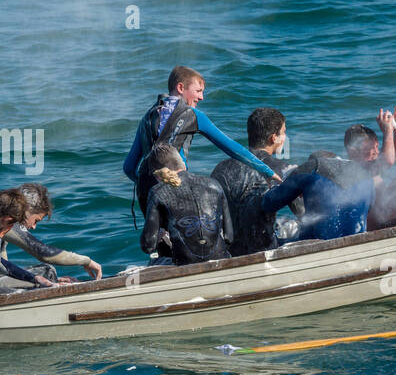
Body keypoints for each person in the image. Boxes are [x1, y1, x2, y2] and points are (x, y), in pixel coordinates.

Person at [121, 65, 277, 219]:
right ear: (181, 88)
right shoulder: (193, 115)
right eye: (198, 91)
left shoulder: (147, 117)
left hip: (146, 191)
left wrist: (150, 182)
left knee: (158, 239)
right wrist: (267, 171)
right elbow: (232, 148)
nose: (201, 97)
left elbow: (129, 167)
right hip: (176, 188)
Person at [211, 107, 303, 256]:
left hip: (227, 253)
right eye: (284, 132)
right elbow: (303, 212)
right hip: (263, 253)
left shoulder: (221, 168)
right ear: (273, 138)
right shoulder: (283, 170)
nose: (285, 137)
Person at [140, 146, 233, 265]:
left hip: (184, 265)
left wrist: (159, 235)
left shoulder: (157, 192)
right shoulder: (214, 184)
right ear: (182, 164)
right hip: (221, 260)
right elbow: (229, 238)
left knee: (153, 263)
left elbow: (148, 245)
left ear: (159, 176)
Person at [260, 150, 375, 242]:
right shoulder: (364, 173)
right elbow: (369, 208)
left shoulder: (310, 168)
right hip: (357, 243)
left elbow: (268, 203)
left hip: (318, 247)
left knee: (276, 241)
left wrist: (271, 186)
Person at [0, 183, 103, 283]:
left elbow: (0, 269)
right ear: (27, 209)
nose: (34, 227)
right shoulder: (7, 221)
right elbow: (43, 253)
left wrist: (51, 281)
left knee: (47, 275)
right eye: (36, 220)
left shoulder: (1, 218)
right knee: (47, 271)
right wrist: (87, 261)